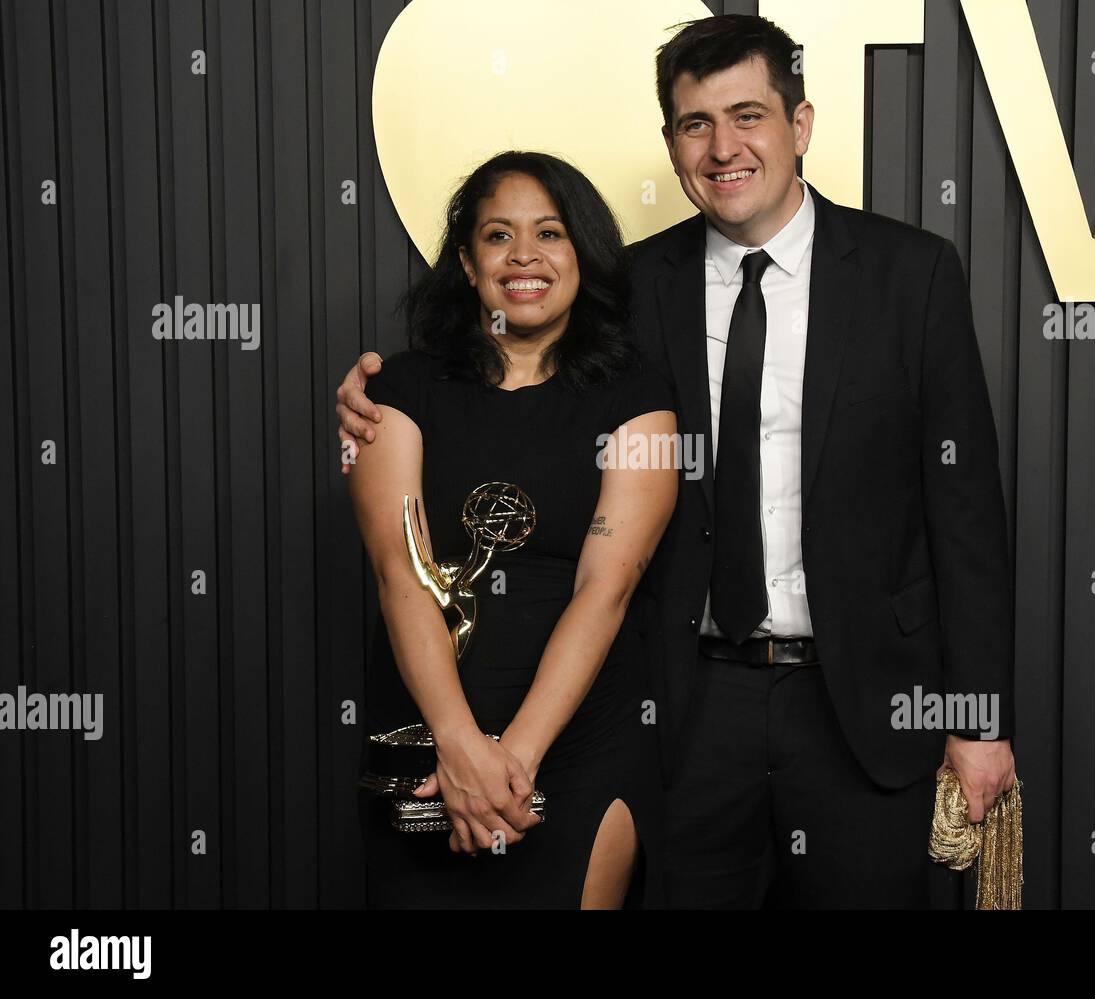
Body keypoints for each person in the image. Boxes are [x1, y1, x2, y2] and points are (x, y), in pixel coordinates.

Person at [339, 15, 1017, 909]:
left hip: (866, 707)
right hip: (687, 704)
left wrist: (976, 721)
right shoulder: (632, 283)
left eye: (748, 115)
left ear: (800, 125)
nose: (723, 147)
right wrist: (367, 388)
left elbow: (963, 510)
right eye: (696, 124)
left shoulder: (911, 274)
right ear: (670, 142)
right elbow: (504, 359)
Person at [346, 150, 678, 909]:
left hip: (582, 741)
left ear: (582, 255)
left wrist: (512, 760)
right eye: (498, 236)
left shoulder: (637, 397)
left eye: (550, 234)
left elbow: (607, 587)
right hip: (428, 742)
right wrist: (461, 747)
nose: (524, 256)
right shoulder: (397, 389)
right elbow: (403, 575)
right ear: (466, 262)